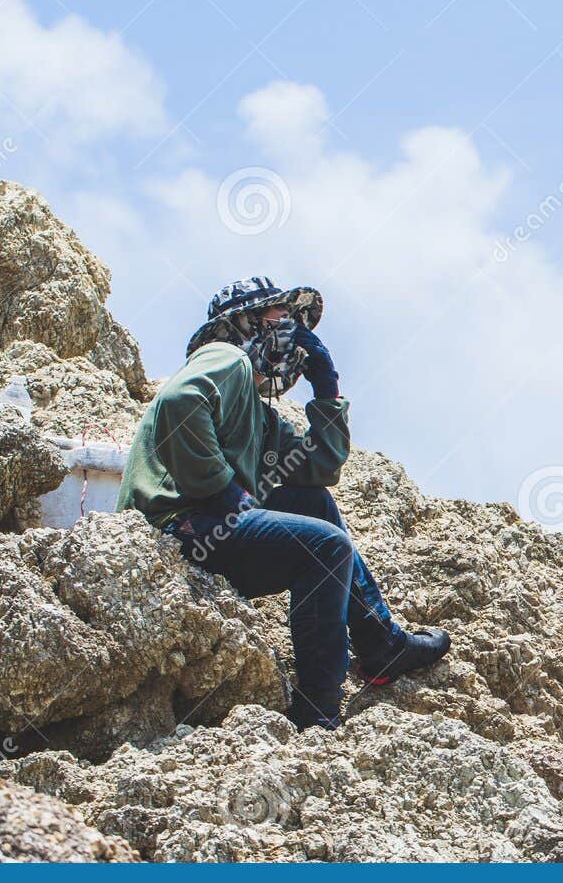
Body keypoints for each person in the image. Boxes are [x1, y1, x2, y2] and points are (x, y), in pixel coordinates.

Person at [118, 277, 449, 730]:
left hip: (208, 534)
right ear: (249, 324)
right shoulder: (226, 357)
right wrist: (223, 492)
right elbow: (181, 403)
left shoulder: (259, 418)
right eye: (282, 318)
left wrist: (326, 387)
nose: (294, 332)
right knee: (327, 547)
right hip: (175, 529)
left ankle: (379, 642)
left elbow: (320, 465)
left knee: (312, 503)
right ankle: (318, 713)